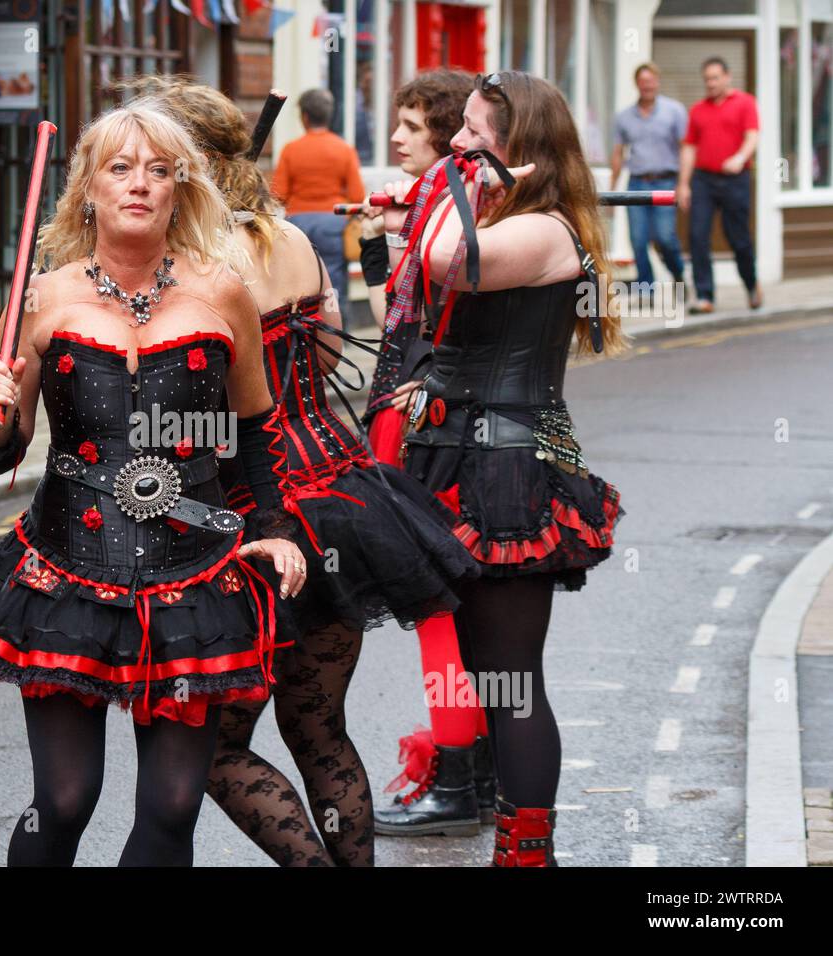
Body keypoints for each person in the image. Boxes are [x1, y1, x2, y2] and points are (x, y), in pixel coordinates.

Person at [0, 102, 308, 867]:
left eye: (159, 170)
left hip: (194, 573)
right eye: (120, 168)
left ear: (179, 190)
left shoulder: (224, 291)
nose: (139, 185)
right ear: (88, 190)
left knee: (171, 807)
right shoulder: (45, 295)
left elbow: (256, 432)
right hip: (67, 570)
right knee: (64, 801)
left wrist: (275, 527)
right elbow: (6, 450)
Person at [117, 76, 481, 867]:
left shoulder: (185, 265)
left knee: (209, 747)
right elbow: (322, 351)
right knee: (319, 728)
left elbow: (197, 412)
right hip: (341, 496)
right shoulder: (288, 240)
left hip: (246, 518)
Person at [389, 71, 624, 865]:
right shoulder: (508, 216)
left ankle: (527, 854)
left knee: (511, 678)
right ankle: (483, 803)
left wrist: (457, 190)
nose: (458, 141)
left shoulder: (545, 230)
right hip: (460, 456)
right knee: (479, 669)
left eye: (476, 132)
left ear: (518, 146)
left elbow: (445, 259)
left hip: (507, 470)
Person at [355, 69, 502, 838]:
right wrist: (380, 248)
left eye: (417, 124)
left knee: (438, 604)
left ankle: (459, 777)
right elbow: (392, 324)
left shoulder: (459, 202)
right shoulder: (434, 204)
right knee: (442, 608)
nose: (402, 138)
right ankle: (466, 772)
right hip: (413, 409)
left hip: (428, 419)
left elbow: (437, 332)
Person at [679, 57, 761, 313]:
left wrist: (739, 158)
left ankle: (750, 283)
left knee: (738, 238)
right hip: (704, 179)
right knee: (697, 235)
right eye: (707, 79)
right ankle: (705, 296)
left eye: (715, 78)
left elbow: (752, 136)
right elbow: (689, 148)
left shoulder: (745, 103)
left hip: (735, 179)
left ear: (728, 76)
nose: (711, 84)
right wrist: (683, 183)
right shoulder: (698, 110)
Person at [270, 89, 364, 303]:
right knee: (334, 286)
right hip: (334, 224)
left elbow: (279, 194)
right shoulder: (344, 149)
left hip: (297, 224)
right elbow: (357, 194)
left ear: (304, 117)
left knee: (299, 281)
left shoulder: (290, 150)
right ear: (329, 115)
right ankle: (335, 330)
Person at [610, 63, 687, 294]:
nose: (647, 85)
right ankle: (646, 290)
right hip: (636, 183)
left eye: (651, 80)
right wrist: (612, 192)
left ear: (657, 82)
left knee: (665, 237)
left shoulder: (674, 111)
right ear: (637, 84)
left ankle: (678, 275)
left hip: (665, 182)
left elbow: (686, 149)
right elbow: (617, 154)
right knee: (638, 239)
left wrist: (684, 184)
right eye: (642, 81)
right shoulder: (624, 117)